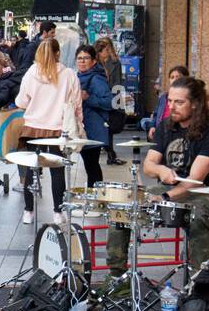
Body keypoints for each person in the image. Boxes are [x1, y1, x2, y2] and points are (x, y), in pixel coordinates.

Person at [107, 75, 209, 277]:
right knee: (123, 209)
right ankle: (116, 277)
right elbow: (148, 165)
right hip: (166, 188)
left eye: (179, 102)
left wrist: (163, 198)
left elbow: (193, 182)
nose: (172, 106)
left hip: (202, 192)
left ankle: (202, 282)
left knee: (197, 219)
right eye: (170, 101)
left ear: (196, 104)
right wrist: (162, 170)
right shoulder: (166, 126)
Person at [13, 38, 82, 226]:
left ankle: (28, 211)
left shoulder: (31, 73)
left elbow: (21, 102)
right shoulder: (69, 74)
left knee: (31, 170)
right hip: (58, 131)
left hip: (33, 129)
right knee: (57, 172)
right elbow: (76, 105)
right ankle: (58, 212)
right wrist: (79, 125)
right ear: (58, 53)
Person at [73, 44, 112, 189]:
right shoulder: (78, 76)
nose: (82, 61)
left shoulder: (96, 78)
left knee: (92, 165)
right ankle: (94, 195)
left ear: (93, 61)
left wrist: (88, 98)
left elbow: (108, 102)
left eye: (86, 58)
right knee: (90, 165)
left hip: (93, 129)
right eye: (79, 58)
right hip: (84, 128)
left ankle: (95, 196)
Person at [95, 37, 125, 165]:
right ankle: (110, 154)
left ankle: (110, 152)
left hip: (112, 97)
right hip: (99, 98)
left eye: (109, 49)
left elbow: (118, 83)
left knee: (113, 126)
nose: (107, 51)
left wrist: (119, 103)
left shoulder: (115, 62)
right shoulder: (95, 64)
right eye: (105, 50)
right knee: (103, 127)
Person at [142, 64, 190, 140]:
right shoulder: (163, 97)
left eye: (178, 77)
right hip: (161, 132)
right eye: (172, 77)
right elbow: (156, 114)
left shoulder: (190, 97)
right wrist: (153, 126)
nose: (175, 79)